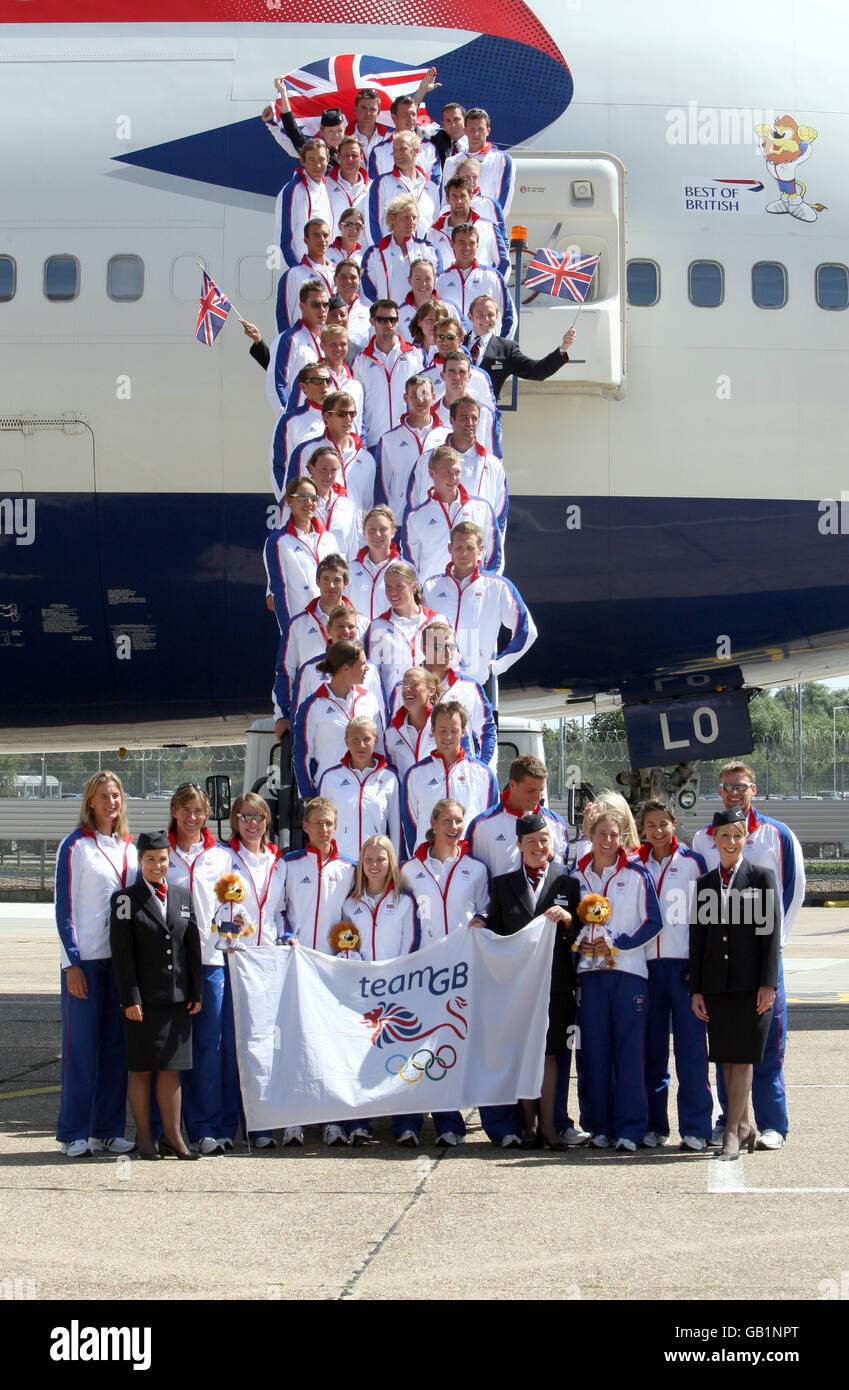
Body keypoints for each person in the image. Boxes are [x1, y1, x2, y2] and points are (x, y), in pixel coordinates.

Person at [691, 760, 805, 1150]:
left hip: (762, 962)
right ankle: (732, 1120)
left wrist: (772, 955)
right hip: (721, 968)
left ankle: (772, 1122)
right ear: (719, 792)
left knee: (766, 1046)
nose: (734, 792)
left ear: (753, 789)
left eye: (741, 785)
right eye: (726, 787)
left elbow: (793, 892)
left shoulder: (777, 834)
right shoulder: (703, 839)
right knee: (725, 1049)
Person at [483, 815, 581, 1148]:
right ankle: (527, 1125)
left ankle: (550, 1126)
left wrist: (568, 920)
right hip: (518, 986)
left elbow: (581, 934)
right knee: (525, 1054)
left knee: (551, 1055)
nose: (539, 847)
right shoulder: (504, 884)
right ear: (519, 846)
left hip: (556, 984)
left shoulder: (567, 883)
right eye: (532, 842)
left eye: (544, 840)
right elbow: (495, 933)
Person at [54, 771, 138, 1158]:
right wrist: (71, 962)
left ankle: (107, 1129)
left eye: (116, 795)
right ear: (90, 801)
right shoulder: (75, 846)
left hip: (119, 965)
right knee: (82, 1052)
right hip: (85, 963)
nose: (111, 802)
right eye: (103, 795)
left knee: (114, 1051)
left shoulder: (128, 848)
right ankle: (74, 1131)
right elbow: (63, 908)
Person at [690, 808, 781, 1161]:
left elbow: (769, 935)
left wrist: (768, 983)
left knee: (743, 1058)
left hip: (749, 985)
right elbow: (698, 941)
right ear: (714, 839)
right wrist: (696, 988)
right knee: (726, 1057)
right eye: (724, 836)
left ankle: (731, 1130)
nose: (730, 842)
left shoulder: (761, 877)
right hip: (716, 985)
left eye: (737, 836)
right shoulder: (704, 885)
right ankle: (743, 1125)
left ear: (746, 839)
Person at [570, 809, 663, 1152]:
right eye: (602, 834)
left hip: (628, 974)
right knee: (593, 1053)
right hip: (590, 976)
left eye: (614, 835)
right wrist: (581, 943)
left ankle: (630, 1128)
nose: (608, 841)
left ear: (622, 838)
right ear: (590, 837)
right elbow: (570, 924)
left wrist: (617, 945)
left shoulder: (637, 873)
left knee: (628, 1053)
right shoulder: (576, 877)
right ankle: (597, 1127)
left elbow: (654, 922)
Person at [399, 797, 490, 1145]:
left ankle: (449, 1123)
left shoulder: (476, 869)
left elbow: (486, 909)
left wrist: (482, 920)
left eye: (459, 822)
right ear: (434, 824)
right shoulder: (410, 869)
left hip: (459, 972)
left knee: (449, 1044)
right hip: (420, 970)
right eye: (448, 821)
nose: (454, 828)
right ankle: (406, 1122)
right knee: (413, 1043)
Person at [109, 831, 202, 1161]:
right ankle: (145, 1139)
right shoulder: (125, 900)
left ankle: (174, 1138)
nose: (157, 865)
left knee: (172, 1070)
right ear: (140, 861)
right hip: (143, 1002)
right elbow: (122, 953)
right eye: (150, 859)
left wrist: (196, 991)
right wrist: (129, 997)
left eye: (162, 859)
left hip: (177, 999)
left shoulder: (182, 896)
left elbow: (192, 947)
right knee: (141, 1069)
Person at [277, 797, 357, 1147]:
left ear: (336, 826)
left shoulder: (350, 868)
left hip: (332, 970)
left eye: (329, 823)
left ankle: (333, 1121)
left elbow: (355, 916)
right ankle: (293, 1121)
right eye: (317, 824)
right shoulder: (289, 864)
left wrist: (347, 947)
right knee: (295, 1043)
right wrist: (288, 936)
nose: (324, 830)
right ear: (305, 827)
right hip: (295, 967)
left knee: (330, 1045)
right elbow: (278, 910)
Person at [634, 799, 712, 1152]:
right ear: (642, 829)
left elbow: (706, 920)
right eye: (651, 825)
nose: (658, 830)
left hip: (683, 968)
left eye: (663, 823)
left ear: (674, 823)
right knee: (652, 1052)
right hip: (647, 968)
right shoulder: (634, 864)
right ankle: (655, 1126)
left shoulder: (693, 863)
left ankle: (696, 1127)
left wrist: (699, 970)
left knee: (691, 1051)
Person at [167, 784, 238, 1156]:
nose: (193, 818)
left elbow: (229, 909)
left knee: (209, 1047)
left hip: (210, 963)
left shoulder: (221, 857)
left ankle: (206, 1128)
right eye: (186, 810)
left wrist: (233, 935)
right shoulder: (160, 854)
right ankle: (168, 1129)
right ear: (175, 812)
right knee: (171, 1049)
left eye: (199, 811)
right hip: (169, 966)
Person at [340, 834, 420, 1144]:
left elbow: (410, 943)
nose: (374, 865)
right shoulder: (350, 903)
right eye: (369, 860)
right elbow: (346, 942)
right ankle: (360, 1123)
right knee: (362, 1057)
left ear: (391, 863)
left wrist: (394, 977)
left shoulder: (405, 900)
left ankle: (407, 1124)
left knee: (401, 1056)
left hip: (398, 989)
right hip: (363, 992)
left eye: (381, 859)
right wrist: (356, 963)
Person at [422, 522, 536, 686]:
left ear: (481, 550)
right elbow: (418, 631)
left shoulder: (497, 587)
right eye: (459, 547)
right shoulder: (431, 587)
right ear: (450, 549)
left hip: (472, 684)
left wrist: (499, 665)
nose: (464, 553)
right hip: (434, 685)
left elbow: (528, 631)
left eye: (470, 548)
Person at [401, 701, 498, 854]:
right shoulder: (414, 775)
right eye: (442, 730)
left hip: (468, 865)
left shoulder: (482, 774)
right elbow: (410, 825)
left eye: (454, 730)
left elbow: (489, 823)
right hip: (427, 866)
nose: (448, 736)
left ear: (464, 731)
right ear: (432, 730)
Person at [292, 640, 385, 799]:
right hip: (328, 794)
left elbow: (381, 747)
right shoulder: (312, 706)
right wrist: (308, 796)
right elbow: (302, 754)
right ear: (345, 668)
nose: (367, 667)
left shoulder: (370, 700)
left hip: (367, 792)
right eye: (362, 664)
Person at [275, 555, 357, 733]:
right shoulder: (298, 625)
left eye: (337, 580)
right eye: (326, 579)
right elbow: (285, 671)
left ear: (346, 583)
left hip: (351, 719)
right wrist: (281, 715)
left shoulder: (361, 624)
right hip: (310, 718)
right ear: (317, 581)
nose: (331, 586)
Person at [405, 395, 507, 529]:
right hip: (436, 543)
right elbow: (414, 505)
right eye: (464, 417)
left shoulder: (494, 465)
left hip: (475, 546)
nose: (469, 422)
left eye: (474, 418)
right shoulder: (426, 460)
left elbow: (499, 515)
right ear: (452, 421)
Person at [403, 446, 502, 577]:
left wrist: (488, 585)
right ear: (432, 474)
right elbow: (410, 564)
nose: (453, 478)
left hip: (472, 592)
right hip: (431, 594)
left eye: (457, 472)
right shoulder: (415, 517)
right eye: (447, 473)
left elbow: (495, 556)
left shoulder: (482, 509)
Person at [468, 753, 569, 878]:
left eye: (541, 790)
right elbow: (474, 879)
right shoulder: (481, 826)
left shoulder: (557, 825)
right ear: (512, 785)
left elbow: (564, 877)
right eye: (531, 791)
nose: (537, 797)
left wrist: (550, 856)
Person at [264, 476, 341, 635]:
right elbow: (279, 592)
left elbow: (340, 585)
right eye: (302, 498)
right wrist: (289, 635)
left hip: (332, 628)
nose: (309, 503)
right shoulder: (278, 542)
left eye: (313, 498)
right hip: (301, 631)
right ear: (289, 501)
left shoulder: (329, 539)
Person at [289, 604, 384, 731]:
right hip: (326, 747)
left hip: (362, 747)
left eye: (351, 626)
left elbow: (381, 717)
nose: (346, 631)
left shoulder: (371, 669)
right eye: (340, 626)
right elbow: (299, 722)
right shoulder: (310, 669)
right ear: (329, 629)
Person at [318, 717, 401, 861]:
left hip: (375, 863)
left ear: (375, 740)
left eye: (366, 739)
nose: (361, 745)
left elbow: (396, 829)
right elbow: (320, 824)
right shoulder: (331, 778)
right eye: (355, 740)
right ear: (347, 741)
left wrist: (395, 865)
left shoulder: (389, 778)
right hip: (339, 862)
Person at [465, 294, 576, 402]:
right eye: (480, 315)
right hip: (452, 415)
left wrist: (563, 347)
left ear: (497, 317)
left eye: (490, 315)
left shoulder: (506, 349)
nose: (486, 319)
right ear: (470, 316)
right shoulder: (456, 344)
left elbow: (537, 371)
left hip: (485, 415)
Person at [364, 559, 444, 700]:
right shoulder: (379, 626)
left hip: (432, 708)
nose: (392, 593)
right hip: (395, 710)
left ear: (414, 586)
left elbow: (449, 666)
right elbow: (372, 677)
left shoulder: (436, 621)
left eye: (399, 587)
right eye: (388, 587)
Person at [352, 298, 425, 447]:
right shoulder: (360, 361)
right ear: (372, 321)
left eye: (392, 320)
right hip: (375, 442)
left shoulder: (415, 354)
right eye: (382, 320)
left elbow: (424, 396)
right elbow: (356, 406)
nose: (388, 324)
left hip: (409, 438)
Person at [288, 390, 375, 513]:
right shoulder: (306, 451)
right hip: (317, 530)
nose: (348, 419)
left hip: (354, 531)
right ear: (326, 416)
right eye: (341, 414)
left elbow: (368, 506)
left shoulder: (366, 458)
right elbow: (290, 498)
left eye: (352, 414)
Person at [373, 373, 439, 521]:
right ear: (405, 398)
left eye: (425, 394)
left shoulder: (446, 436)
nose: (420, 400)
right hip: (399, 519)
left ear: (434, 397)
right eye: (414, 395)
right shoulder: (389, 439)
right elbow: (382, 486)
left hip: (436, 520)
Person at [435, 222, 515, 336]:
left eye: (471, 243)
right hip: (450, 349)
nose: (467, 247)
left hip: (482, 349)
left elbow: (509, 315)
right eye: (462, 242)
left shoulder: (492, 276)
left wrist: (502, 348)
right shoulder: (439, 280)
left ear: (477, 245)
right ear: (452, 244)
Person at [360, 196, 442, 305]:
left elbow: (438, 286)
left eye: (414, 217)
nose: (411, 222)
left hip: (421, 318)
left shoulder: (430, 250)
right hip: (387, 319)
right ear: (391, 218)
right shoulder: (373, 254)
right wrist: (384, 316)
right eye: (406, 217)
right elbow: (367, 293)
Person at [266, 281, 330, 417]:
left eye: (325, 304)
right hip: (299, 425)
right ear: (302, 306)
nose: (322, 309)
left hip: (324, 424)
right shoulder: (289, 339)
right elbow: (276, 385)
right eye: (315, 304)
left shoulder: (326, 341)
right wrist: (289, 421)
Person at [428, 176, 509, 276]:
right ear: (447, 199)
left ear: (470, 197)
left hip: (480, 290)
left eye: (463, 196)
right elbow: (426, 267)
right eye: (454, 196)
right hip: (445, 291)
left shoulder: (488, 227)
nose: (459, 201)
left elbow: (504, 263)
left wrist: (491, 286)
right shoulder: (432, 233)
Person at [368, 131, 440, 242]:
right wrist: (382, 254)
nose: (397, 154)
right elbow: (373, 223)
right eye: (395, 150)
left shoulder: (431, 188)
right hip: (391, 255)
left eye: (402, 149)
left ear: (416, 151)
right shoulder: (382, 183)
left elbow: (435, 227)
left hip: (423, 256)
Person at [274, 136, 333, 266]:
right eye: (312, 160)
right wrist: (296, 270)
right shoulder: (293, 190)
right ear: (302, 161)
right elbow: (284, 238)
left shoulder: (325, 187)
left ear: (328, 160)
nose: (317, 165)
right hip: (302, 269)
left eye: (321, 159)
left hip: (322, 268)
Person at [443, 108, 515, 215]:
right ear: (465, 130)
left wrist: (492, 226)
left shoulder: (502, 160)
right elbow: (445, 200)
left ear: (488, 131)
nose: (476, 134)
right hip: (458, 228)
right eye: (471, 129)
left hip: (486, 225)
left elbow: (504, 199)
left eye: (480, 129)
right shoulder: (451, 162)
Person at [263, 81, 345, 166]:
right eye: (331, 131)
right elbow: (292, 129)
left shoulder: (352, 149)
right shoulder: (315, 151)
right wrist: (283, 93)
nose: (336, 135)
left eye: (339, 131)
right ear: (322, 132)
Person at [276, 217, 336, 334]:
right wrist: (289, 345)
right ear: (306, 240)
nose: (322, 240)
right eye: (316, 235)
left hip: (334, 346)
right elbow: (283, 318)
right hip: (305, 344)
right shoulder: (293, 275)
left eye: (325, 235)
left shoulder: (339, 273)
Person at [368, 90, 441, 184]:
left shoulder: (429, 148)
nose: (410, 118)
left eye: (413, 114)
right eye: (405, 114)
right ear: (394, 118)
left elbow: (435, 186)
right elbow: (374, 187)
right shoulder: (379, 151)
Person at [346, 505, 401, 622]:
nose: (377, 534)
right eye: (372, 529)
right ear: (364, 532)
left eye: (383, 529)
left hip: (390, 637)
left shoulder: (403, 569)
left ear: (393, 532)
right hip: (357, 638)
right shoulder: (350, 569)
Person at [304, 445, 359, 561]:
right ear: (311, 468)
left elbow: (352, 549)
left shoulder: (347, 505)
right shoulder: (298, 503)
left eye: (333, 470)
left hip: (339, 576)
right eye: (323, 469)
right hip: (309, 574)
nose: (328, 476)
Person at [385, 666, 440, 776]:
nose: (407, 689)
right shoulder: (392, 731)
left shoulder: (444, 723)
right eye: (405, 685)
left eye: (414, 684)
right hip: (406, 793)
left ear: (431, 690)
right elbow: (390, 772)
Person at [326, 138, 370, 243]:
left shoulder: (373, 187)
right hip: (333, 254)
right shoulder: (325, 185)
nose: (350, 159)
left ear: (362, 157)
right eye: (346, 155)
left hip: (363, 255)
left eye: (354, 155)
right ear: (338, 156)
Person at [333, 258, 371, 355]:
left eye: (353, 277)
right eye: (343, 277)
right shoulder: (324, 309)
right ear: (335, 279)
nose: (348, 281)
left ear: (359, 279)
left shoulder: (369, 311)